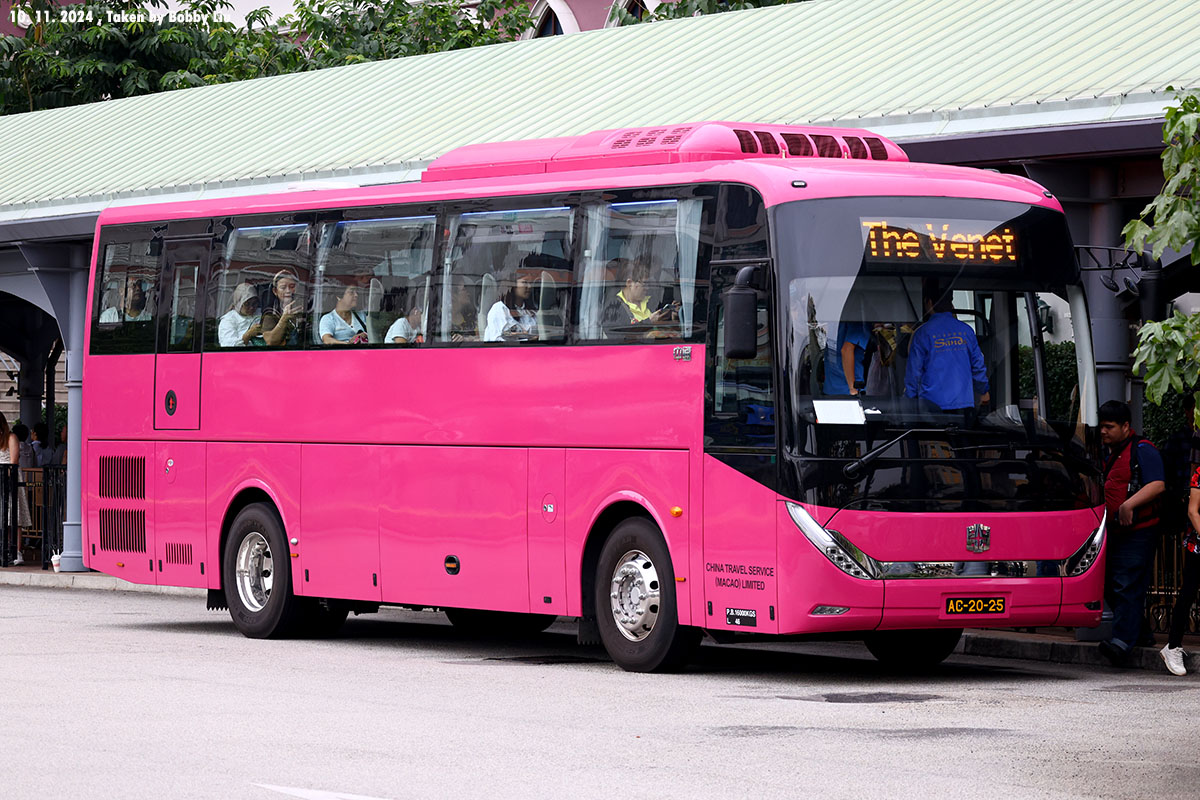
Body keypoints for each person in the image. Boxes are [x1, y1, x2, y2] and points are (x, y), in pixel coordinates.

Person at [1097, 399, 1165, 667]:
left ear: (1126, 427)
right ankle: (1142, 634)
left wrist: (1128, 504)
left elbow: (1158, 484)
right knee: (1110, 584)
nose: (1103, 431)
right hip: (1114, 531)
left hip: (1139, 531)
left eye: (1109, 427)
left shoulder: (1144, 451)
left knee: (1126, 583)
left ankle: (1121, 643)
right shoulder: (1106, 452)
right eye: (1101, 426)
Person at [904, 282, 990, 411]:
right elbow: (978, 367)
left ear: (928, 302)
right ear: (951, 302)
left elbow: (914, 374)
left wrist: (908, 402)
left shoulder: (922, 334)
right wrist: (983, 390)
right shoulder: (966, 331)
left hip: (931, 406)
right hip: (964, 404)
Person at [1161, 460, 1200, 675]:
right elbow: (1193, 511)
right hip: (1198, 547)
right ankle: (1173, 646)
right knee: (1188, 594)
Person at [600, 259, 676, 339]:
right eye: (644, 284)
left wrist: (672, 316)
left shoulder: (652, 300)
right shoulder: (613, 307)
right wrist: (649, 322)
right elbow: (618, 337)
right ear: (629, 283)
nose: (647, 288)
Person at [1, 412, 32, 565]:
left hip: (9, 478)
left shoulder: (11, 438)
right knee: (3, 517)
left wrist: (4, 476)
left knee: (14, 516)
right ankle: (5, 549)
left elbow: (13, 461)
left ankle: (17, 551)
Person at [483, 272, 537, 342]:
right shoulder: (500, 309)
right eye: (525, 282)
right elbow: (498, 340)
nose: (529, 286)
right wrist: (527, 340)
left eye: (531, 283)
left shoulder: (530, 312)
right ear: (512, 285)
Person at [261, 270, 307, 347]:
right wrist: (284, 318)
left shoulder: (304, 309)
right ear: (275, 291)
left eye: (292, 287)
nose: (288, 291)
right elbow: (270, 341)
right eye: (283, 287)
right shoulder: (270, 314)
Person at [824, 321, 870, 395]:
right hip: (850, 390)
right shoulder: (859, 320)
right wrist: (853, 388)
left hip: (832, 386)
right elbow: (846, 350)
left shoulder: (836, 320)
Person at [217, 283, 263, 347]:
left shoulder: (260, 313)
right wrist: (248, 335)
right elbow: (228, 346)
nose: (251, 307)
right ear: (239, 303)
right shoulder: (229, 319)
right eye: (247, 304)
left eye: (254, 303)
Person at [446, 274, 478, 342]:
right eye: (464, 289)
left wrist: (468, 339)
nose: (468, 292)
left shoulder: (470, 316)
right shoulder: (440, 320)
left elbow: (484, 338)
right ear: (453, 295)